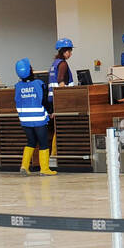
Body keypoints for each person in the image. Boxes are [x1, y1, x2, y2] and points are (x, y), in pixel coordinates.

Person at [13, 58, 54, 176]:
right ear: (29, 70)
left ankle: (24, 167)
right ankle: (45, 169)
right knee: (43, 143)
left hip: (25, 120)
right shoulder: (39, 84)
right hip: (38, 120)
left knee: (31, 142)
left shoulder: (18, 86)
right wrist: (50, 111)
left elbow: (17, 101)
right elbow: (44, 101)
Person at [46, 39, 74, 170]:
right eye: (70, 51)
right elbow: (61, 81)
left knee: (54, 129)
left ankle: (52, 154)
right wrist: (66, 98)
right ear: (66, 51)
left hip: (52, 100)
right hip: (60, 101)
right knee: (60, 129)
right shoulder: (62, 64)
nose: (71, 54)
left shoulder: (54, 64)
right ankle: (55, 154)